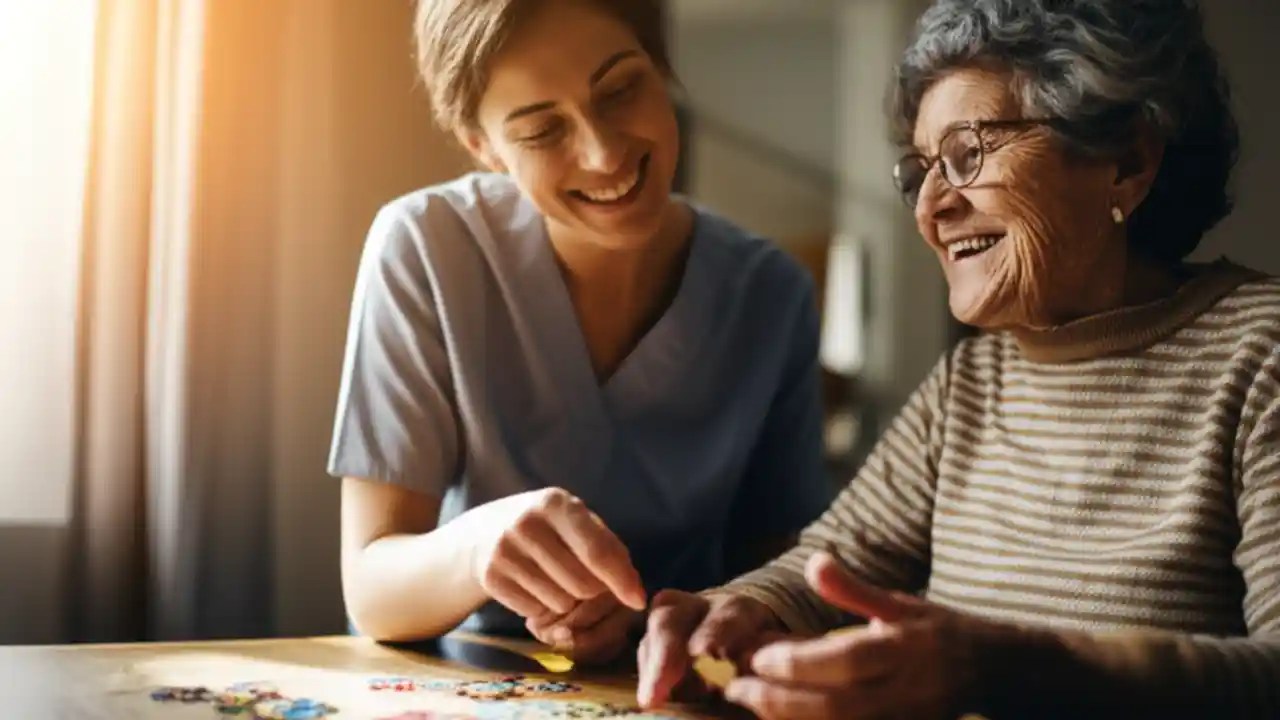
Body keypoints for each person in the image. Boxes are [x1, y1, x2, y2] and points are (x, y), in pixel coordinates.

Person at [637, 0, 1280, 717]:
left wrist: (1006, 669)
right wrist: (735, 609)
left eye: (967, 154)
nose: (930, 207)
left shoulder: (1262, 355)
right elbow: (822, 567)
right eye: (919, 171)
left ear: (1126, 161)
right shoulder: (970, 385)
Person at [327, 0, 831, 664]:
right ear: (484, 148)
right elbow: (371, 593)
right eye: (540, 132)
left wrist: (652, 621)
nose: (602, 152)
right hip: (468, 688)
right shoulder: (426, 247)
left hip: (677, 685)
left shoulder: (770, 293)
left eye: (621, 90)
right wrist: (481, 547)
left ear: (662, 69)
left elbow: (785, 581)